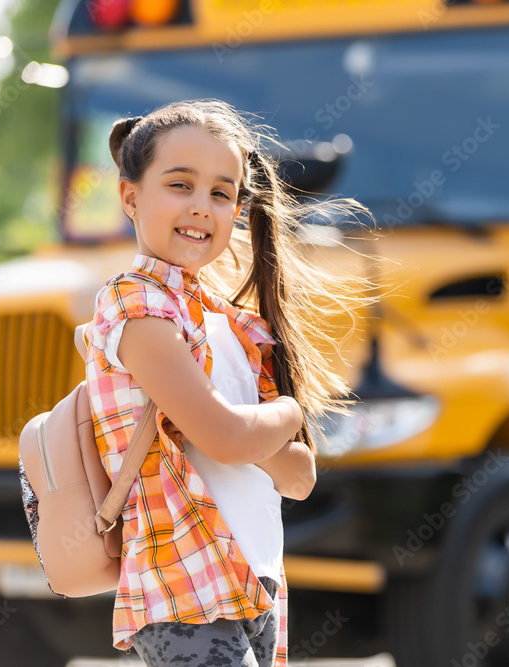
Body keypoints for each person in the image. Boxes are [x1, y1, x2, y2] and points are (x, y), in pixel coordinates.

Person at [83, 99, 373, 666]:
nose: (201, 207)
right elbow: (228, 440)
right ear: (130, 197)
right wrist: (284, 414)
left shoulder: (233, 323)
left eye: (221, 193)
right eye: (180, 185)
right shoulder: (134, 306)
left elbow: (299, 474)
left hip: (256, 580)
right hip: (183, 584)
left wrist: (245, 433)